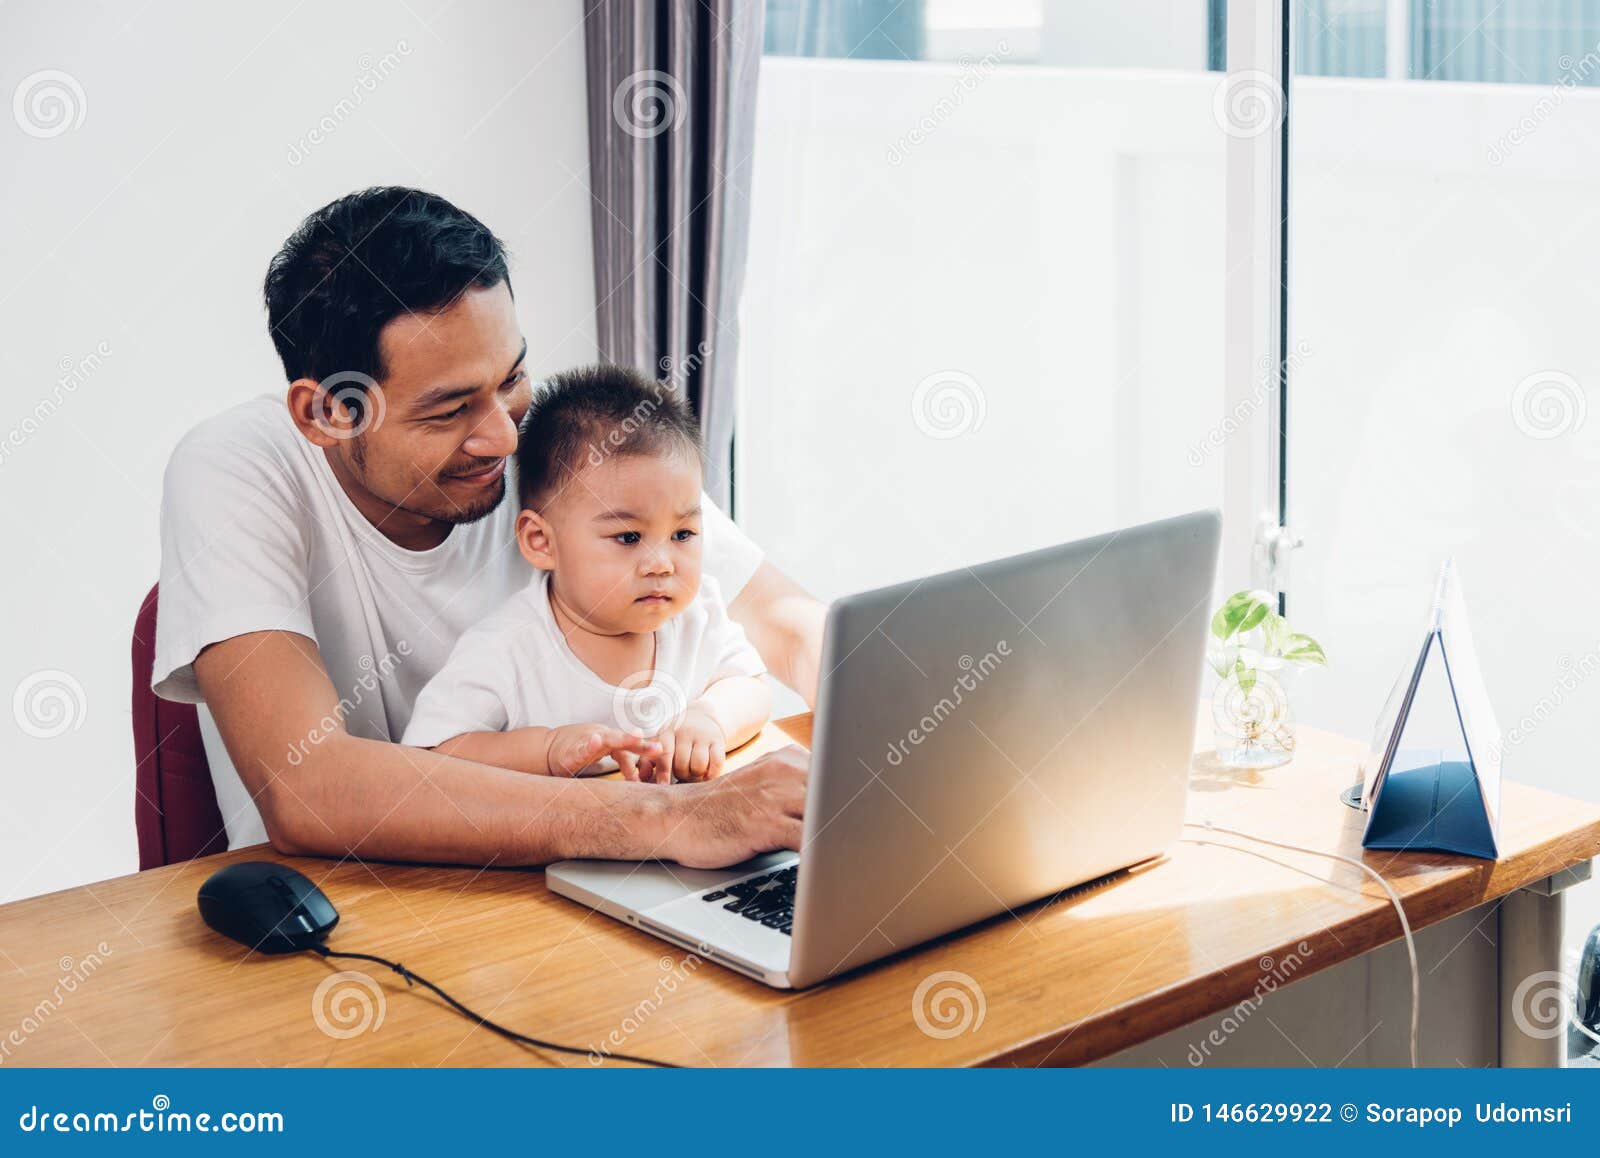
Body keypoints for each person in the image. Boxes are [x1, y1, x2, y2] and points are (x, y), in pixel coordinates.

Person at [152, 186, 821, 869]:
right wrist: (664, 820)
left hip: (578, 879)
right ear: (326, 413)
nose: (504, 438)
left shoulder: (561, 445)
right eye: (449, 411)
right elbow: (309, 787)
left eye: (512, 378)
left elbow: (791, 624)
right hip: (351, 911)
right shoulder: (233, 469)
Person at [402, 365, 770, 783]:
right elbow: (432, 752)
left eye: (682, 533)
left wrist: (709, 719)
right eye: (629, 537)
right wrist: (547, 748)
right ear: (542, 542)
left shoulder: (697, 611)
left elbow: (752, 685)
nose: (662, 563)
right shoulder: (507, 647)